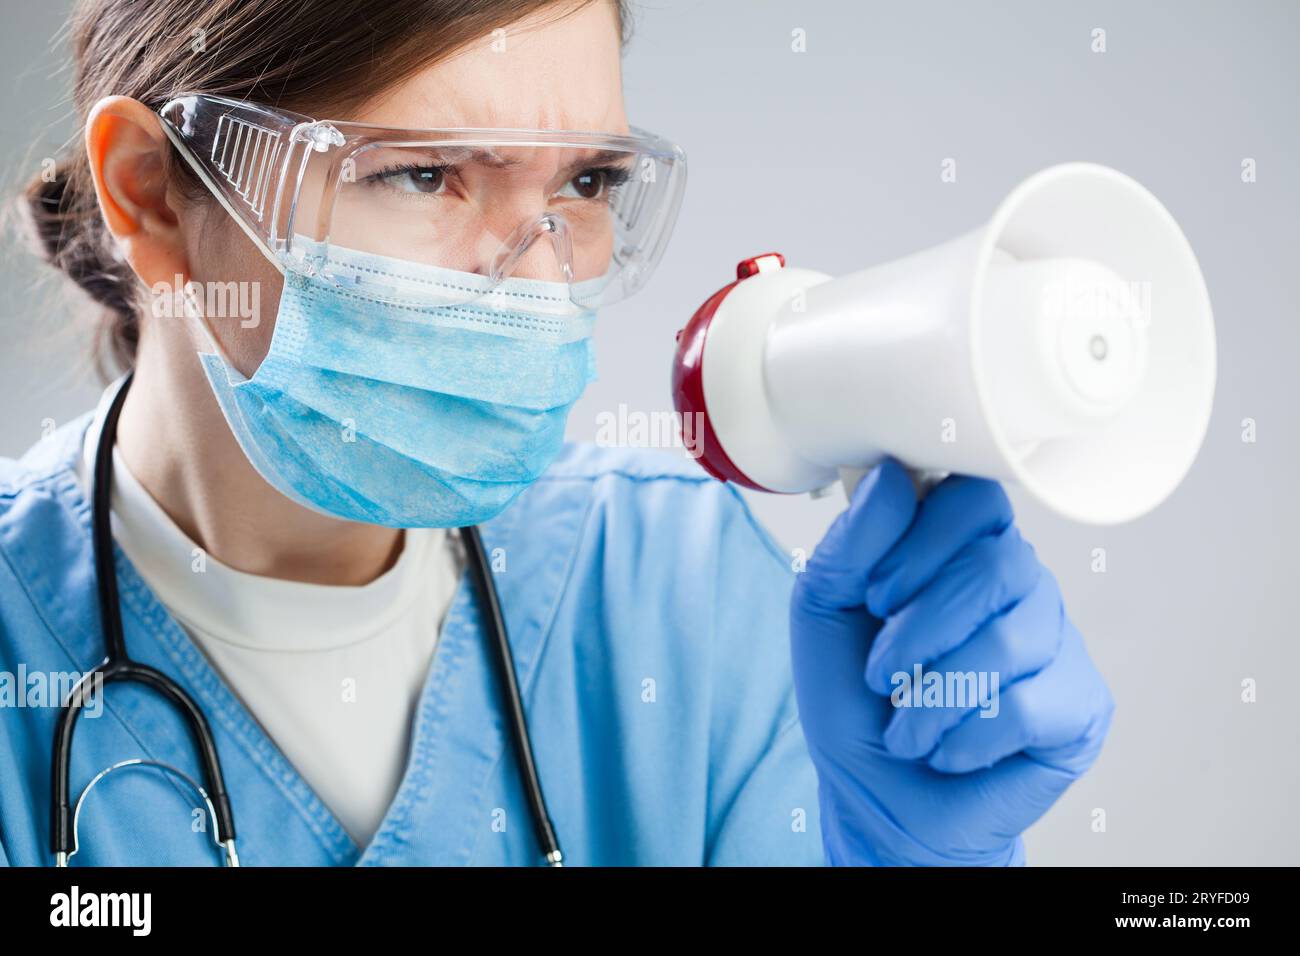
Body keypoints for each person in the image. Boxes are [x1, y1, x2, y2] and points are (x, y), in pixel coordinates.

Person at [0, 0, 1113, 866]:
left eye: (585, 180)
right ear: (149, 193)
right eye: (423, 173)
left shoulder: (673, 588)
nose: (536, 272)